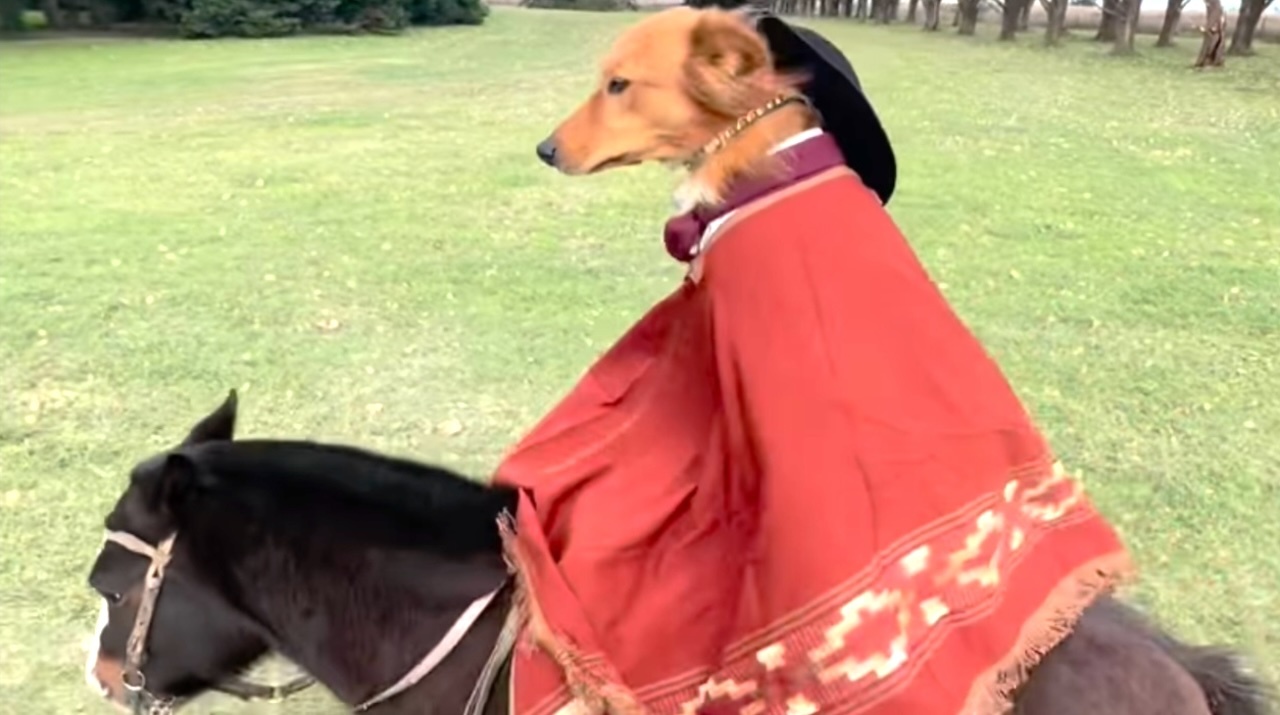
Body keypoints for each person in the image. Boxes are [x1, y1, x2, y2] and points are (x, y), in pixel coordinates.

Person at [494, 10, 1131, 715]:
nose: (581, 124)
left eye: (621, 87)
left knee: (609, 515)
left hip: (866, 506)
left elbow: (796, 420)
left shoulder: (775, 230)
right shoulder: (802, 203)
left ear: (727, 79)